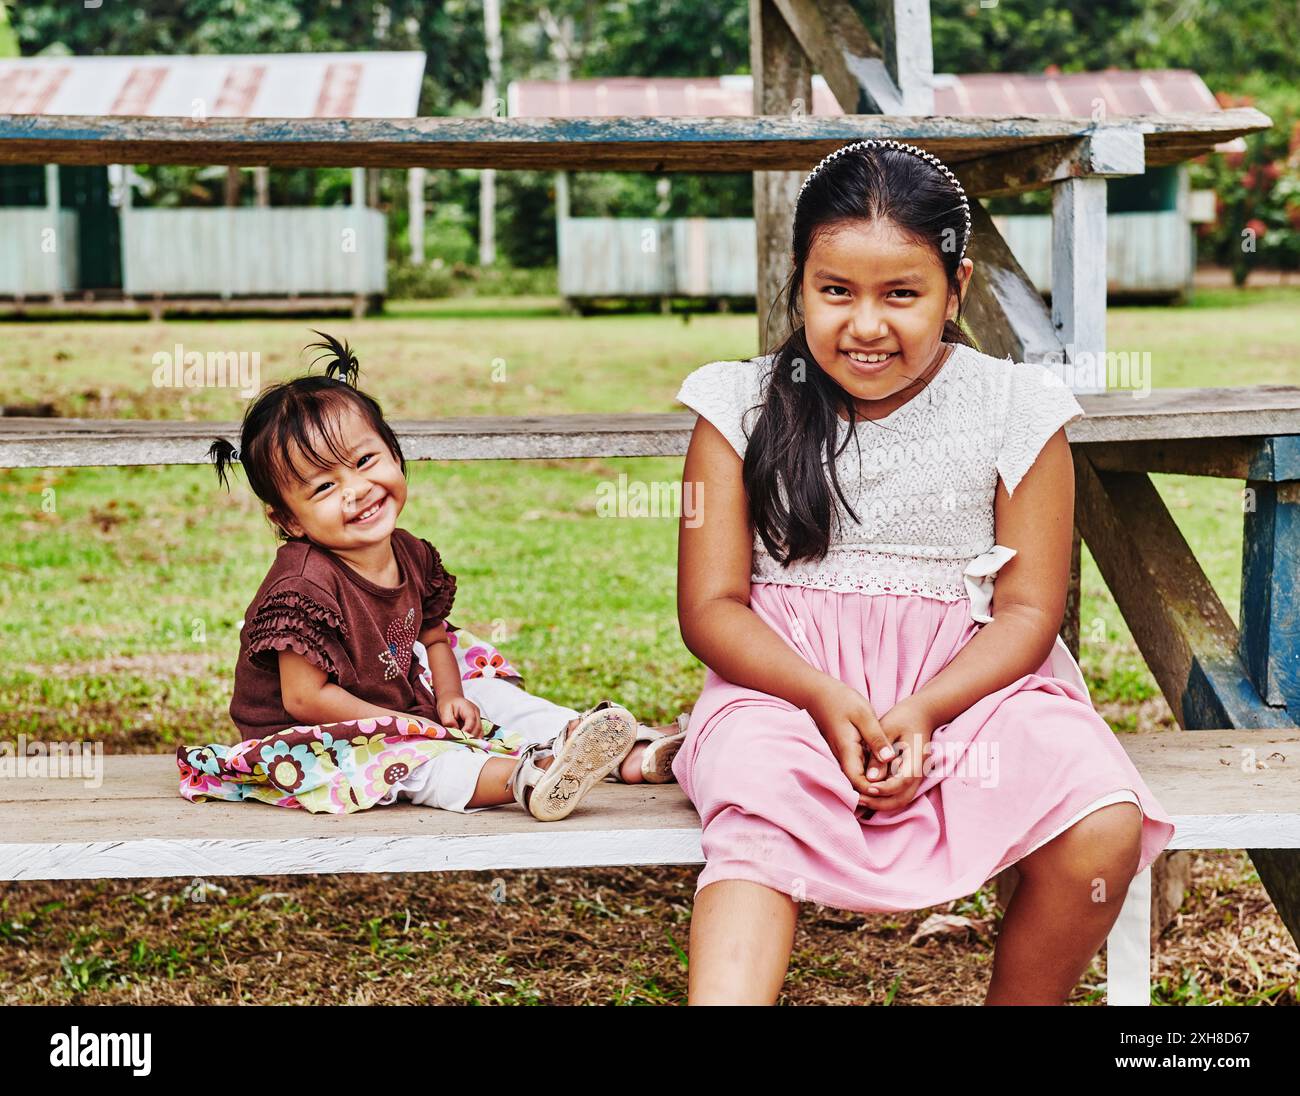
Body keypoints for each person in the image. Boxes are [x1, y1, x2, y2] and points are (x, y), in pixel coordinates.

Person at [671, 139, 1175, 1004]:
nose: (866, 325)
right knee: (757, 804)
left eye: (901, 294)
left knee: (1100, 818)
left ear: (958, 287)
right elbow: (711, 606)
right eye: (836, 292)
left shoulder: (1018, 410)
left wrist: (926, 709)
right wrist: (825, 698)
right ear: (798, 281)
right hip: (784, 693)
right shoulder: (737, 405)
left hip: (974, 692)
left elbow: (1026, 611)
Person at [188, 333, 683, 821]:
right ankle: (527, 778)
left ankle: (618, 751)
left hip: (399, 698)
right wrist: (401, 725)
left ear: (395, 455)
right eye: (323, 486)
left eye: (365, 461)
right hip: (310, 738)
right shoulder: (302, 586)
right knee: (411, 763)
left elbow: (433, 635)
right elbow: (304, 697)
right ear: (289, 521)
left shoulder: (410, 554)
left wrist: (448, 697)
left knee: (485, 695)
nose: (357, 489)